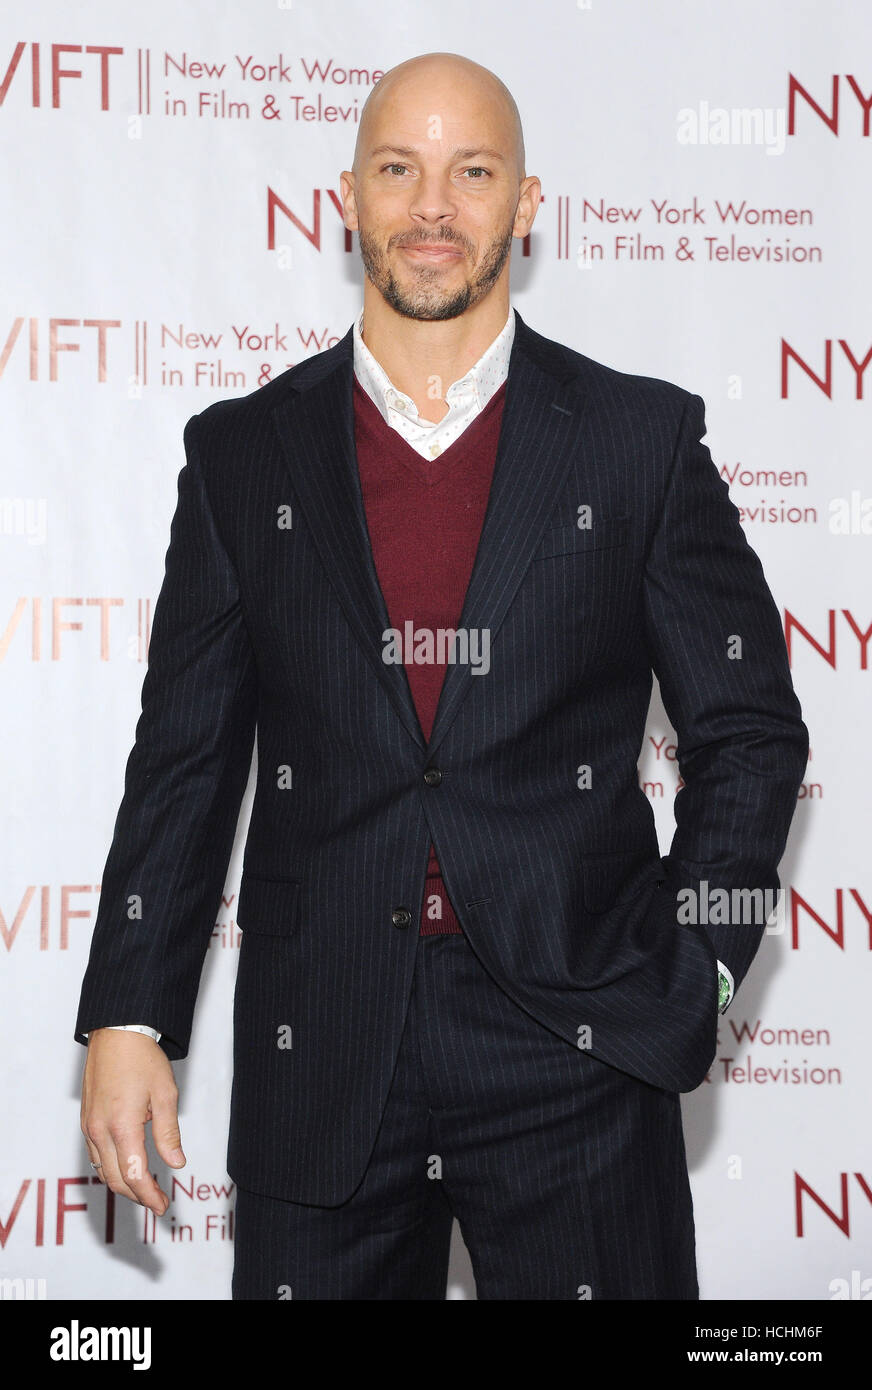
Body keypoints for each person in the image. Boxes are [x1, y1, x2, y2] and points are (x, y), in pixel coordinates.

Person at [76, 51, 809, 1300]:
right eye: (397, 170)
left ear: (526, 207)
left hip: (573, 1046)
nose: (431, 207)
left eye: (471, 173)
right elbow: (184, 760)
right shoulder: (245, 454)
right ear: (345, 197)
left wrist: (696, 972)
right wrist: (129, 1018)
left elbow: (750, 733)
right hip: (324, 1048)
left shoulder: (638, 440)